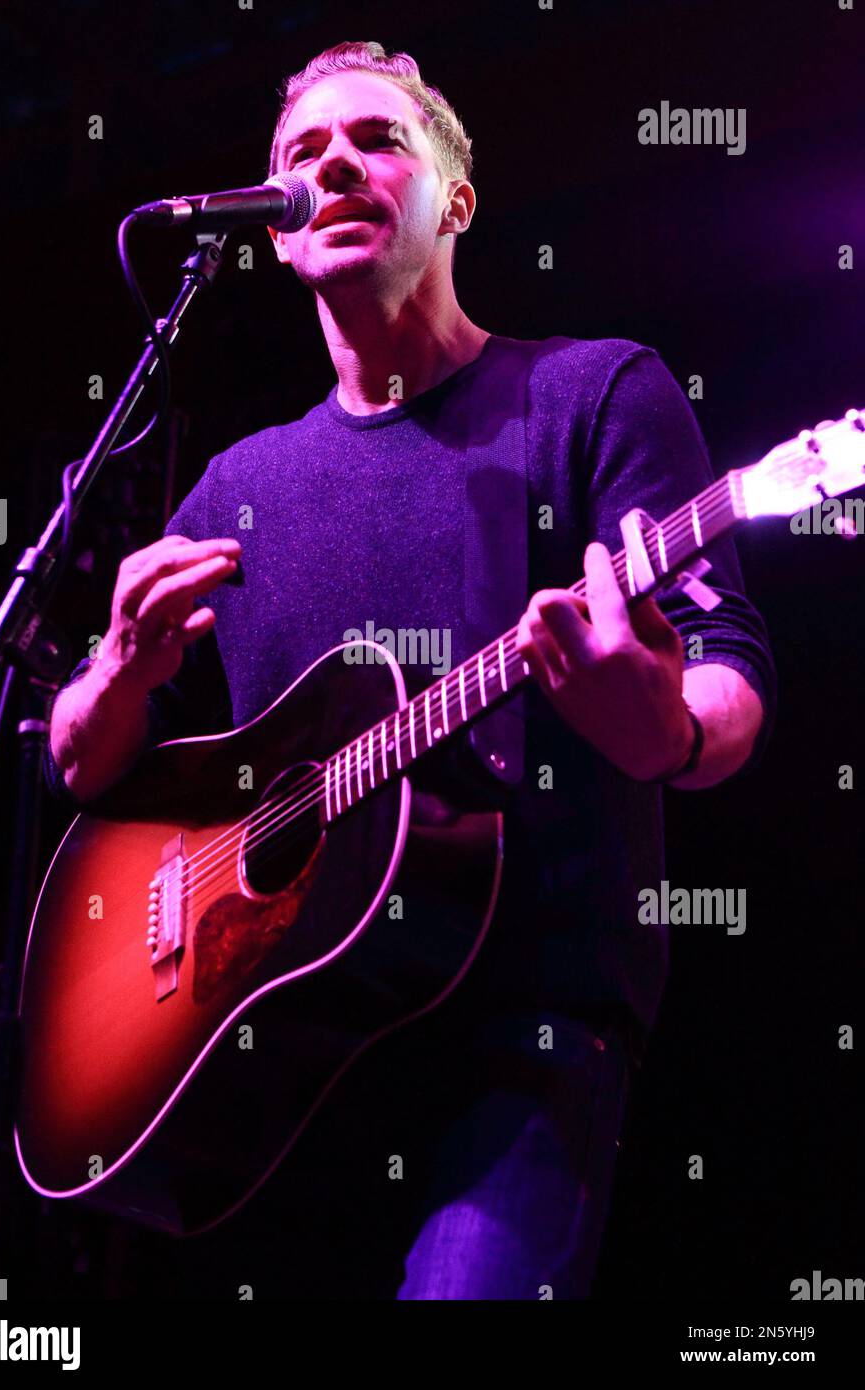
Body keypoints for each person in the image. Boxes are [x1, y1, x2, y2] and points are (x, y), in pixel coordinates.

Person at [44, 40, 776, 1299]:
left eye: (377, 140)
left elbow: (726, 672)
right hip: (274, 1071)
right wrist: (115, 670)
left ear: (454, 200)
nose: (333, 163)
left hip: (522, 1033)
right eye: (299, 156)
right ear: (273, 233)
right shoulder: (238, 489)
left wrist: (662, 728)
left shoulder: (590, 394)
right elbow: (84, 761)